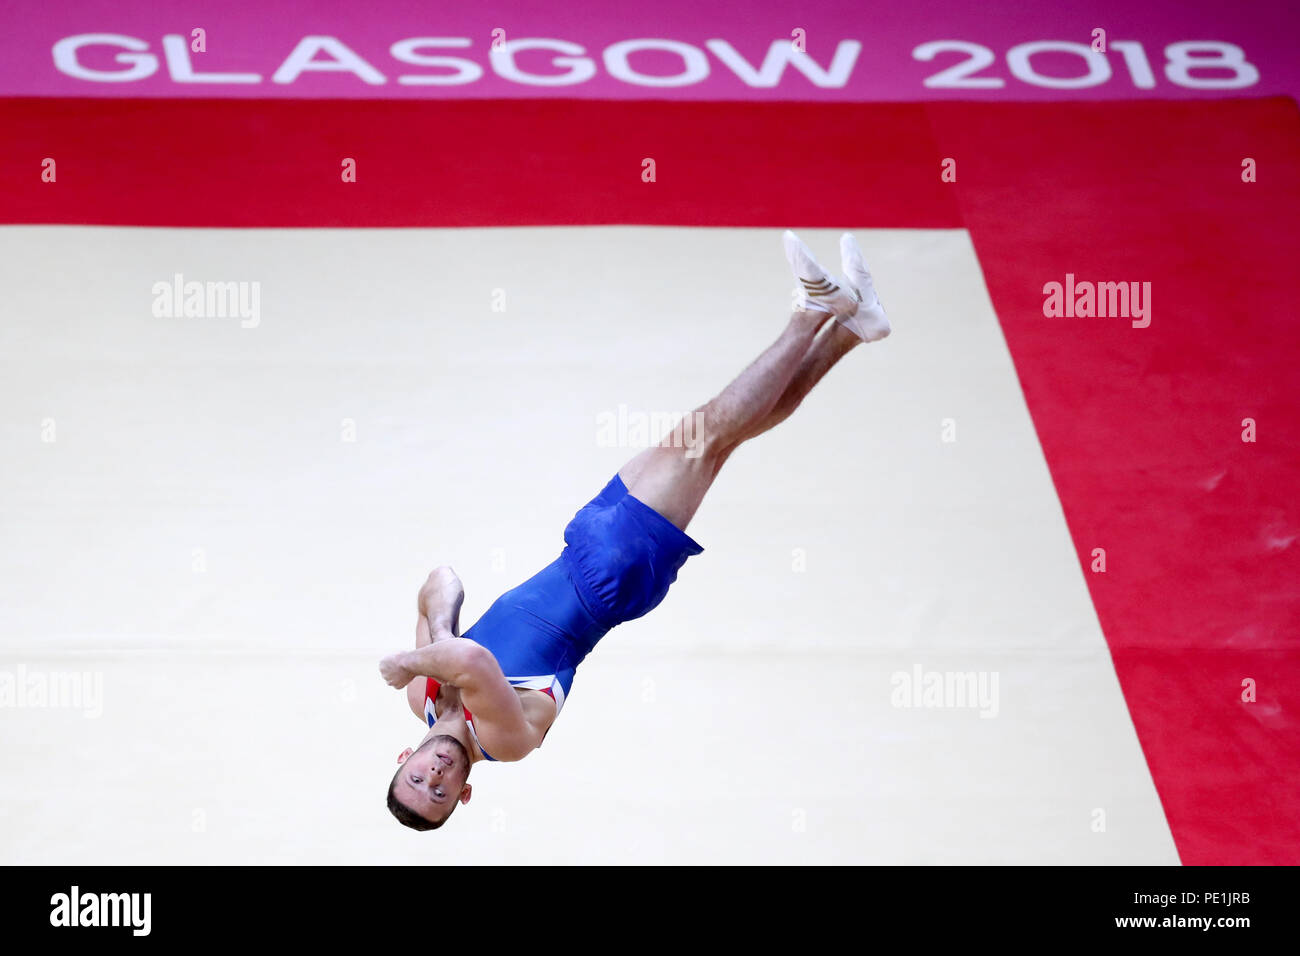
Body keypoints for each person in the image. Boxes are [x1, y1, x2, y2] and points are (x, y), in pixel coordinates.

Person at [379, 231, 891, 830]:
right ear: (463, 795)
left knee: (718, 439)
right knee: (705, 435)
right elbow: (468, 657)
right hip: (611, 580)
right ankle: (811, 314)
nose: (434, 777)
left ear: (403, 757)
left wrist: (427, 652)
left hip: (581, 546)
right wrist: (418, 659)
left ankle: (855, 327)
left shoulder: (426, 694)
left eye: (417, 778)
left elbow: (441, 580)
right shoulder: (502, 739)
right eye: (439, 794)